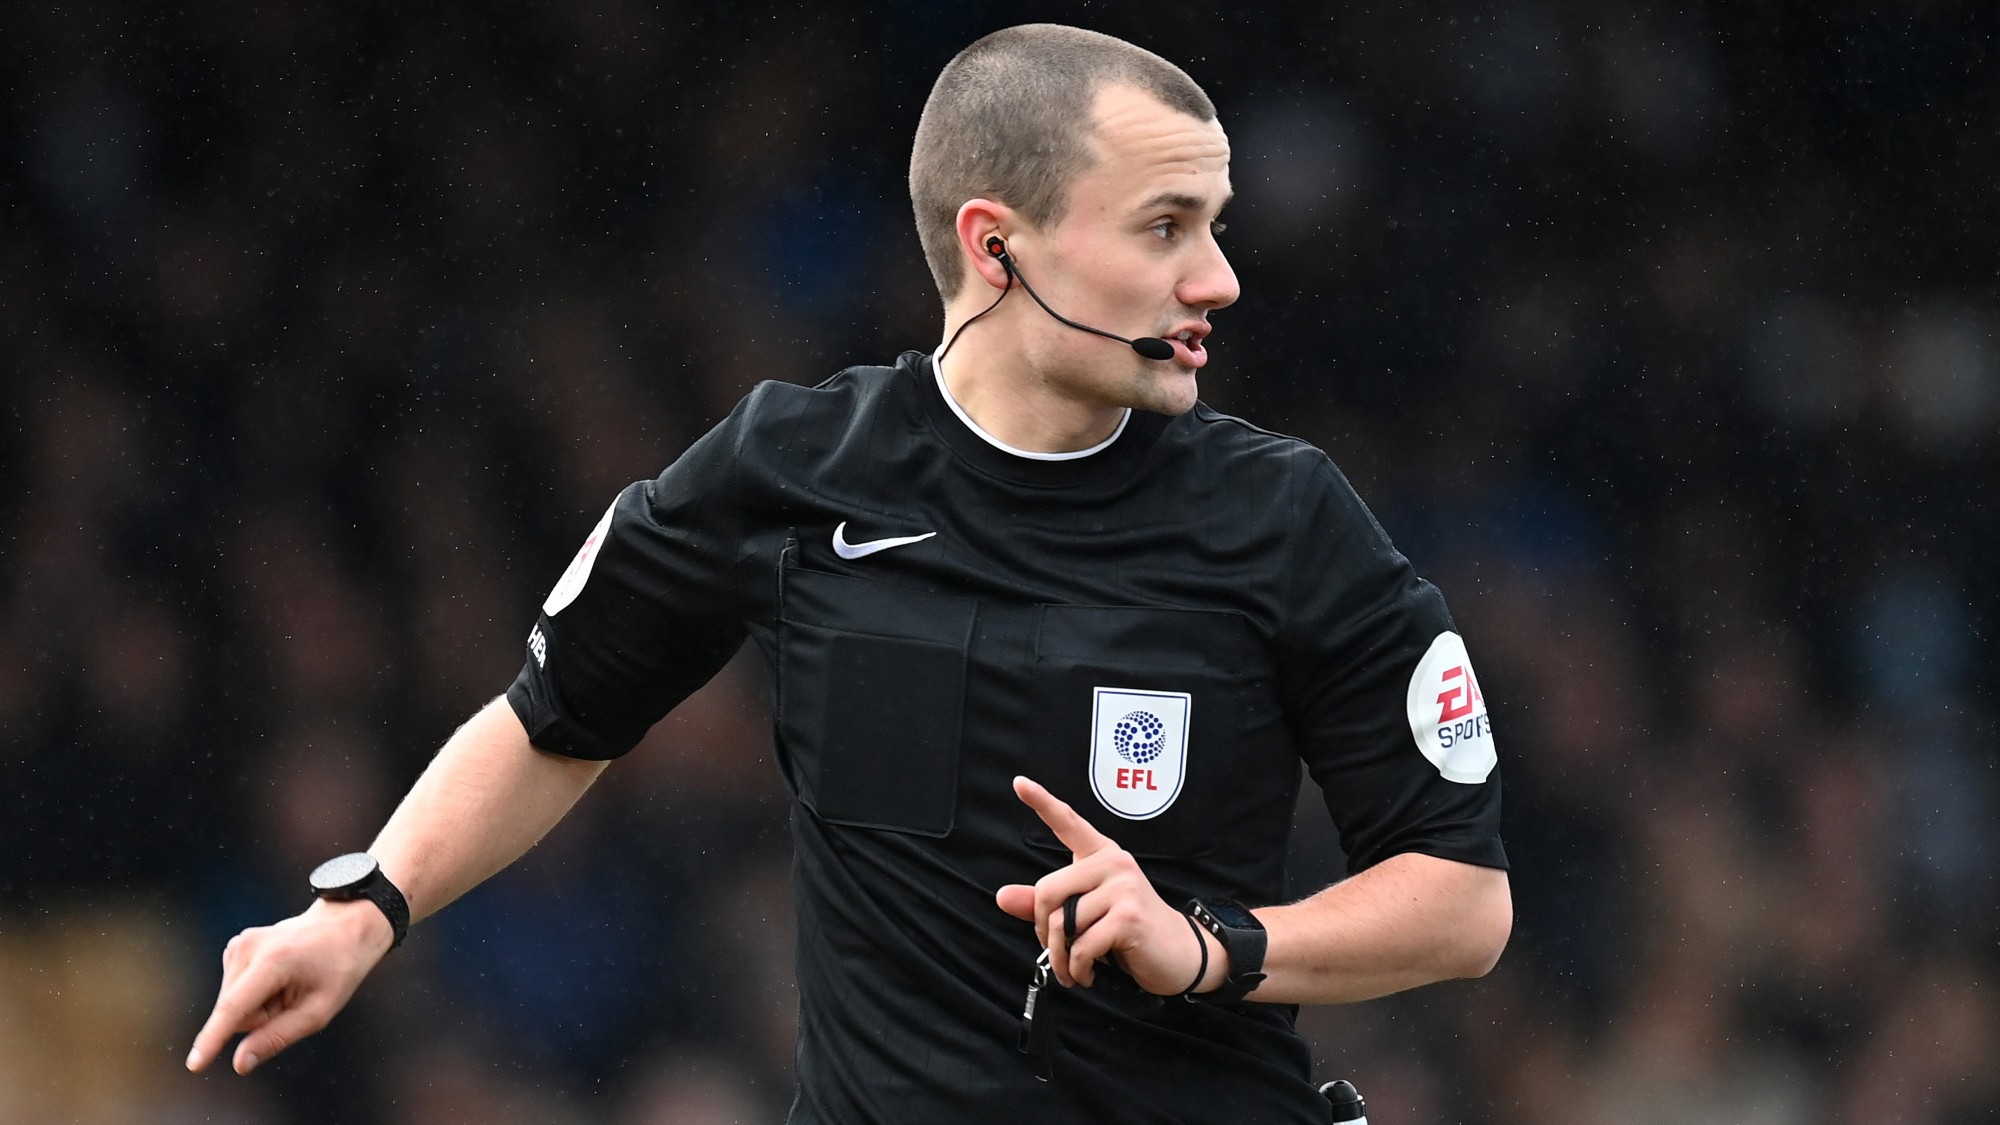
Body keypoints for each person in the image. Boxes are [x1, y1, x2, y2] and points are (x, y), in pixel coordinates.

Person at [188, 24, 1510, 1123]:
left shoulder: (1285, 516)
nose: (1215, 277)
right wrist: (362, 905)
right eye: (1165, 228)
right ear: (998, 246)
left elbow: (1464, 900)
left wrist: (1214, 945)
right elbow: (553, 718)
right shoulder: (792, 468)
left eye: (1214, 226)